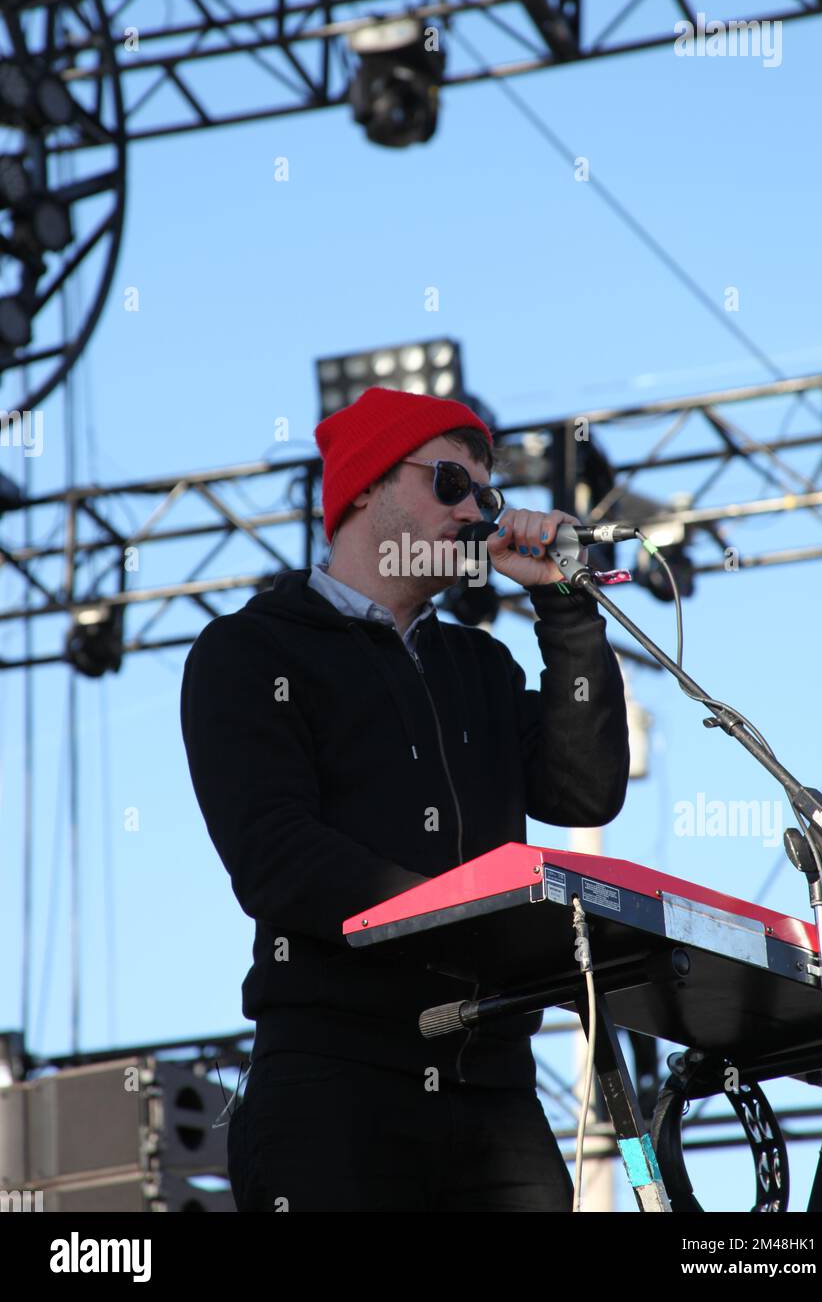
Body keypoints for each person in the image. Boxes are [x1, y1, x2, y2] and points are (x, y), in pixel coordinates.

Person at [180, 386, 630, 1211]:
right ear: (365, 488)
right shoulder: (251, 650)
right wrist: (468, 917)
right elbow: (277, 856)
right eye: (450, 485)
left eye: (487, 497)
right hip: (336, 1081)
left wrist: (564, 610)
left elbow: (584, 789)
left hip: (496, 1091)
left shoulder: (480, 668)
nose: (476, 515)